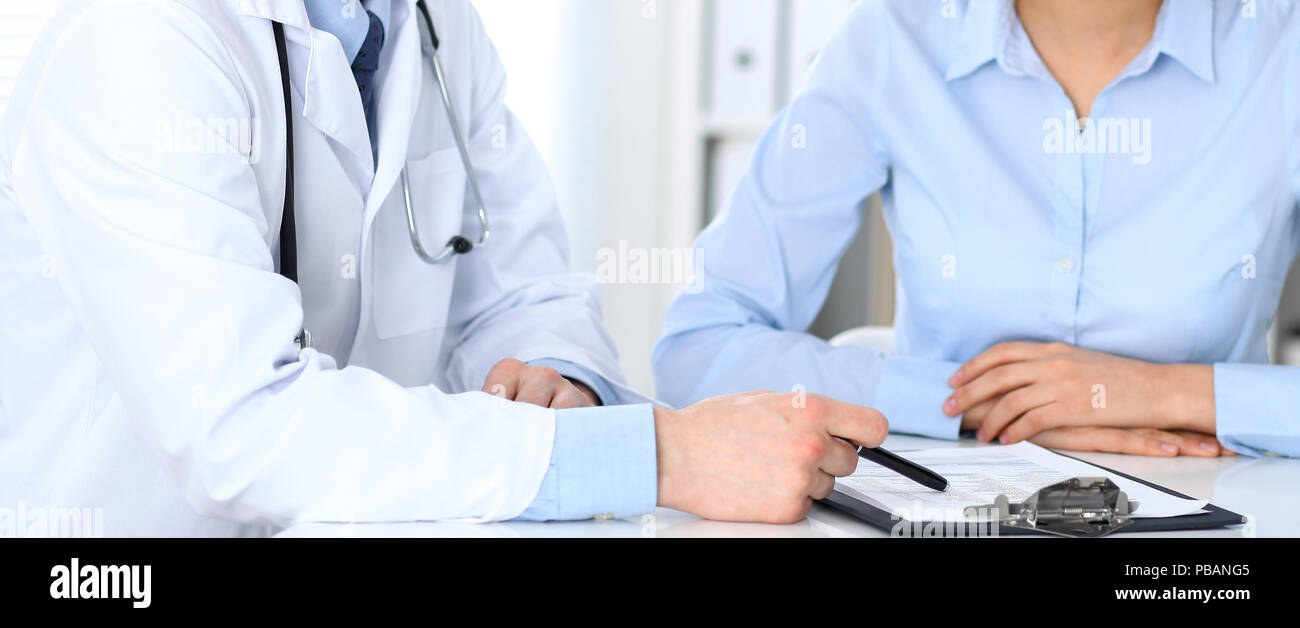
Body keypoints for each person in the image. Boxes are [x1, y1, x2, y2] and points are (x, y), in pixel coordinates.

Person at [0, 0, 886, 536]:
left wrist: (560, 381)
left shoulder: (426, 21)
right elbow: (240, 427)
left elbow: (519, 286)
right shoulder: (139, 36)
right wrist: (648, 454)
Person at [655, 0, 1300, 459]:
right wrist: (979, 405)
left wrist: (1167, 394)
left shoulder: (1282, 49)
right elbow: (699, 347)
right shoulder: (892, 39)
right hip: (944, 503)